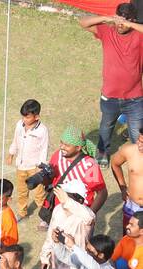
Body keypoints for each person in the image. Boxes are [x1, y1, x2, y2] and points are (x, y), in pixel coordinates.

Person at [79, 6, 143, 157]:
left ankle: (138, 161)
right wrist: (106, 18)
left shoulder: (139, 35)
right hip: (110, 97)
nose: (120, 25)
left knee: (136, 133)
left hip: (135, 98)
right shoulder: (107, 31)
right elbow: (82, 22)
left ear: (133, 20)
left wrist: (130, 24)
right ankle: (102, 154)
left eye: (124, 21)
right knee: (106, 127)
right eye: (118, 19)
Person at [50, 128, 107, 214]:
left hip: (79, 214)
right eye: (61, 142)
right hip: (58, 210)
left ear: (78, 147)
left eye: (67, 145)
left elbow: (102, 193)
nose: (62, 147)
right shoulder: (58, 155)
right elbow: (51, 179)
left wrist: (89, 215)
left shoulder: (89, 165)